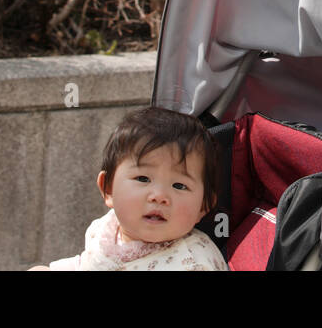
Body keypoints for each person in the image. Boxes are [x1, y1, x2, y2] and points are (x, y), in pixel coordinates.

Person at [29, 106, 228, 270]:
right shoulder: (108, 229)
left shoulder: (192, 263)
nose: (159, 196)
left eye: (179, 185)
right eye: (143, 178)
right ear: (108, 189)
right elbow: (89, 264)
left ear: (204, 206)